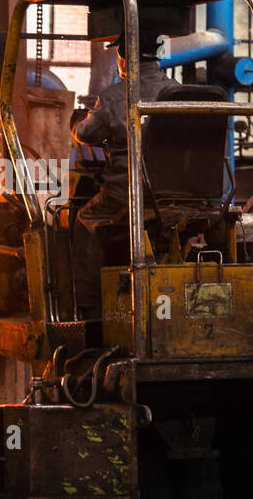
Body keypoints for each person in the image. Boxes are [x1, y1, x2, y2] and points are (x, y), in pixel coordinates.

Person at [70, 47, 184, 318]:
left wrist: (76, 123)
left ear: (123, 60)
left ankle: (89, 312)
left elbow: (86, 134)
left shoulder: (114, 97)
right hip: (180, 194)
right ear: (157, 58)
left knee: (86, 219)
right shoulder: (180, 92)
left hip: (131, 194)